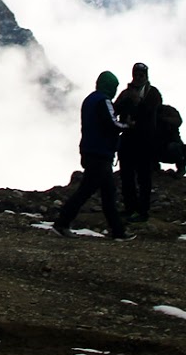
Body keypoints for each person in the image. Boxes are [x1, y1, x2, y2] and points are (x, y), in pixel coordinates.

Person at [54, 71, 134, 240]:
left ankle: (117, 231)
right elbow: (112, 124)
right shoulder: (103, 101)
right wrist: (127, 126)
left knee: (106, 192)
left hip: (91, 151)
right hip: (100, 153)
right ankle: (62, 223)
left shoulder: (90, 100)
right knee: (89, 191)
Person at [113, 62, 162, 222]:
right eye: (137, 75)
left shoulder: (153, 93)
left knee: (143, 177)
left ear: (146, 76)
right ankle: (130, 208)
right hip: (128, 140)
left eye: (141, 75)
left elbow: (151, 112)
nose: (139, 78)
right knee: (127, 176)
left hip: (145, 141)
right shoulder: (126, 93)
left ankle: (143, 211)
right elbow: (115, 110)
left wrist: (136, 104)